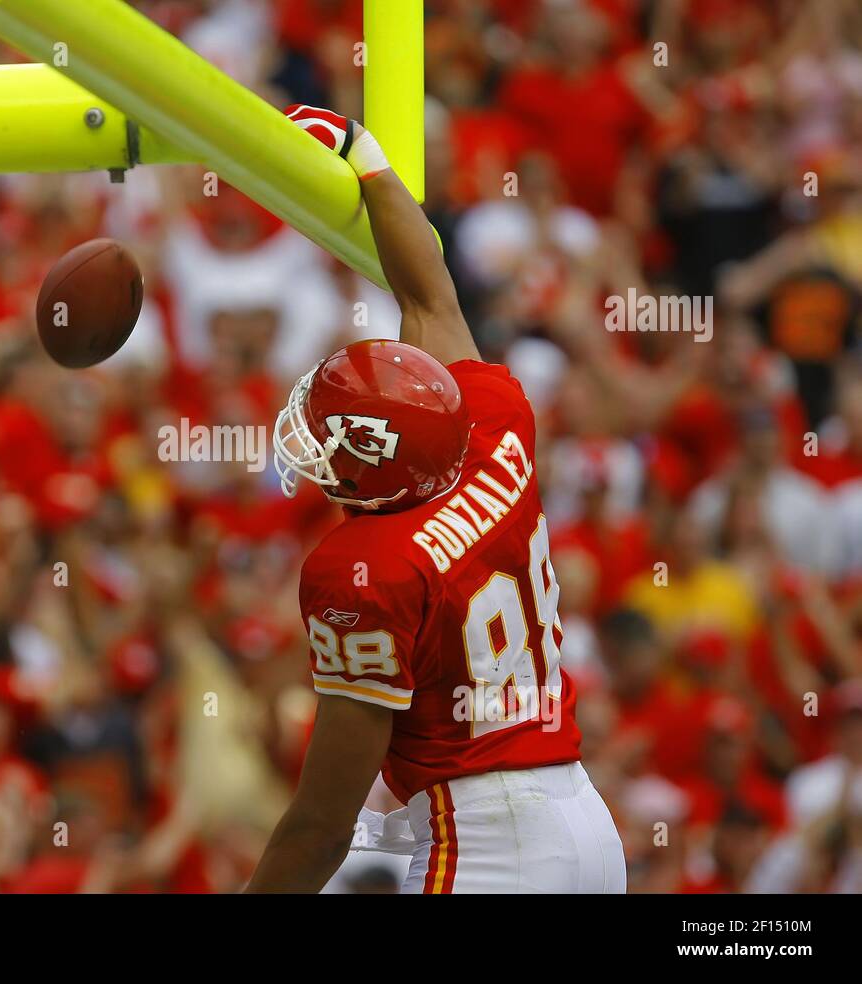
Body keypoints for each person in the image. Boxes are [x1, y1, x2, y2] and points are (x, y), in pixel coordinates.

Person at [245, 106, 625, 893]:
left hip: (490, 843)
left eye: (329, 438)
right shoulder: (495, 429)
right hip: (586, 819)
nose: (311, 448)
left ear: (373, 469)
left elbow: (324, 822)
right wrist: (368, 161)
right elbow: (432, 297)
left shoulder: (362, 568)